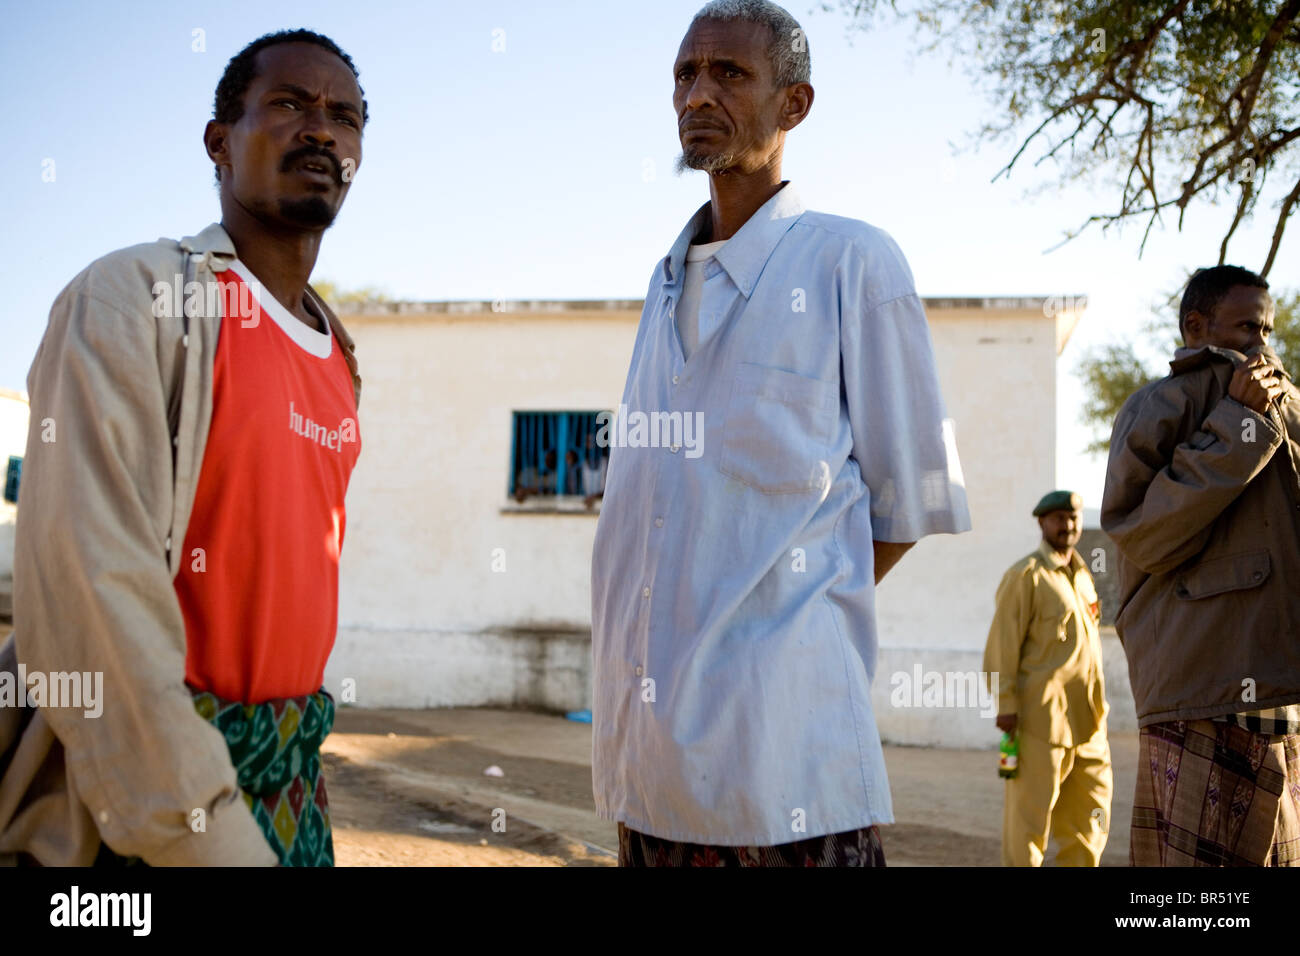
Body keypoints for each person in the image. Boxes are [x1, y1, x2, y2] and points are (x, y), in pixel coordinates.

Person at [591, 0, 970, 867]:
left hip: (786, 767)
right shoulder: (661, 282)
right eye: (685, 73)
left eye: (729, 73)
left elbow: (910, 499)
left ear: (794, 104)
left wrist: (775, 614)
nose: (698, 93)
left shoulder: (851, 261)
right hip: (648, 767)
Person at [0, 29, 367, 866]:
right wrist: (199, 823)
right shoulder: (138, 300)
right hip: (140, 805)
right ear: (218, 141)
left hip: (288, 784)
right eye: (288, 105)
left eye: (344, 118)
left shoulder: (339, 356)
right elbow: (92, 593)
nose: (321, 131)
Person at [1102, 264, 1300, 867]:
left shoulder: (1289, 407)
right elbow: (1148, 537)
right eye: (1246, 328)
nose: (1261, 345)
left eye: (1266, 329)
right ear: (1196, 325)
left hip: (1282, 693)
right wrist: (1238, 426)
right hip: (1201, 694)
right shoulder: (1160, 406)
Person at [983, 491, 1111, 866]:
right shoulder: (1025, 576)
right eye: (1058, 518)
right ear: (1041, 522)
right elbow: (1001, 647)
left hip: (1090, 725)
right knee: (1028, 828)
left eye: (1072, 517)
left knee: (1090, 824)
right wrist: (1006, 706)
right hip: (1041, 725)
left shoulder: (1084, 577)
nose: (1067, 525)